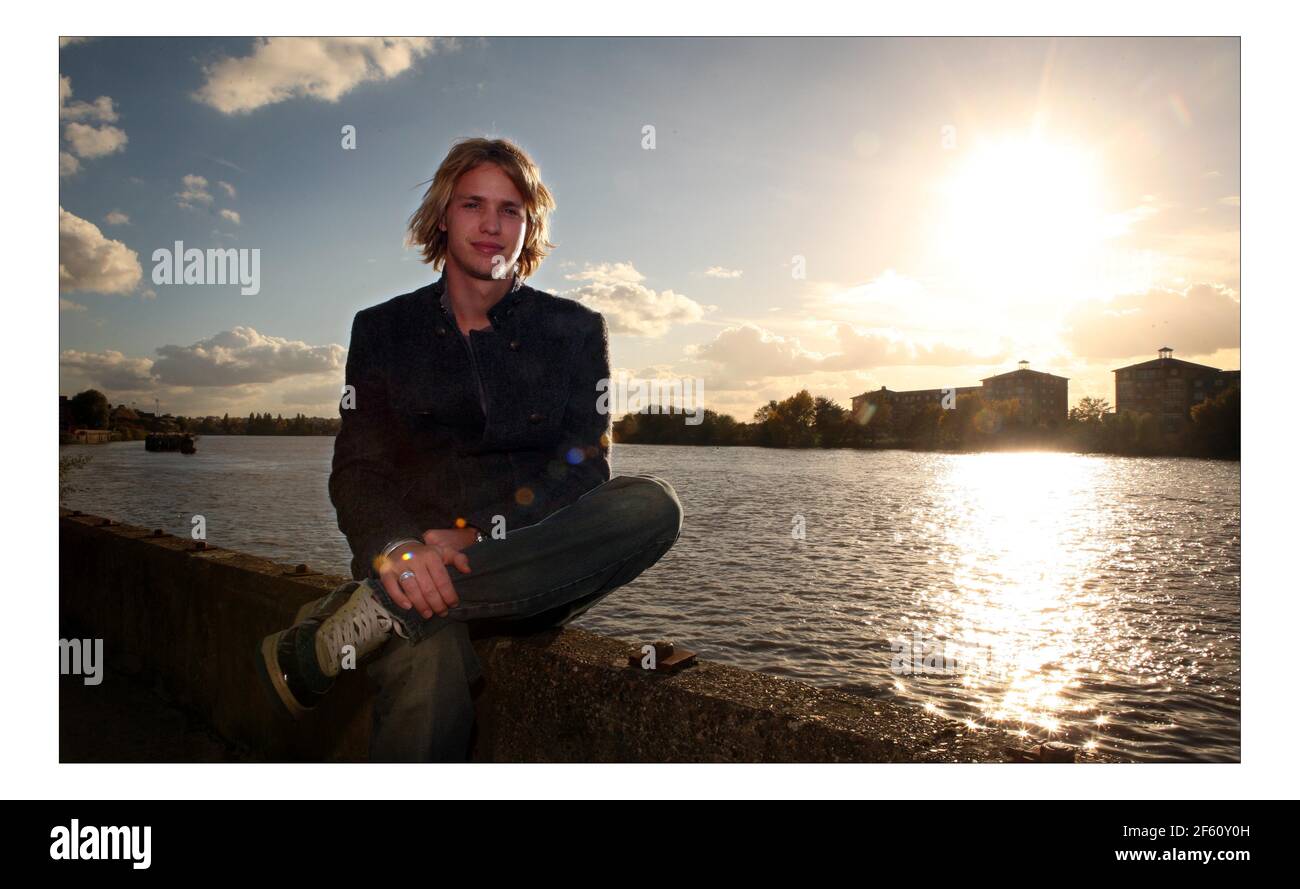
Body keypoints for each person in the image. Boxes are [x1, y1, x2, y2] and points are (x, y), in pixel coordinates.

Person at [255, 137, 683, 761]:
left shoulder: (575, 330)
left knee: (653, 505)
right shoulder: (381, 330)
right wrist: (396, 547)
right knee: (425, 664)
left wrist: (481, 534)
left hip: (527, 569)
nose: (491, 225)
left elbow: (584, 465)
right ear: (441, 216)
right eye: (473, 205)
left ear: (529, 227)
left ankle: (369, 613)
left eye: (510, 210)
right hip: (410, 566)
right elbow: (359, 468)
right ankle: (395, 607)